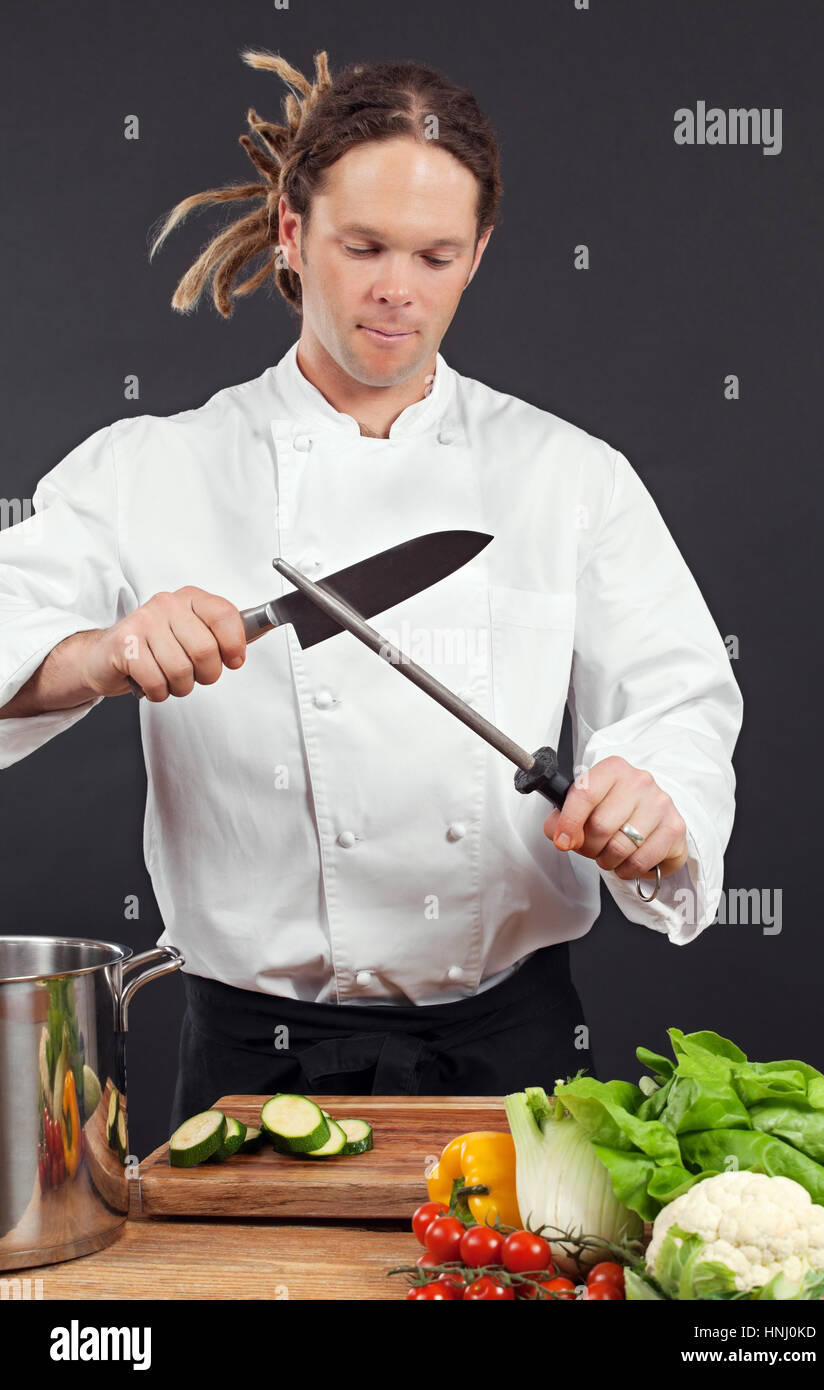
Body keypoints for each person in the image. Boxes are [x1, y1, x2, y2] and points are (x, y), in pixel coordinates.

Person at [0, 50, 743, 1128]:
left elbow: (679, 700)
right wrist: (100, 655)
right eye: (364, 247)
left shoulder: (565, 473)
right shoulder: (149, 466)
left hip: (511, 1063)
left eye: (435, 254)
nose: (398, 288)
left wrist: (653, 801)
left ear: (478, 254)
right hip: (252, 1069)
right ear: (294, 237)